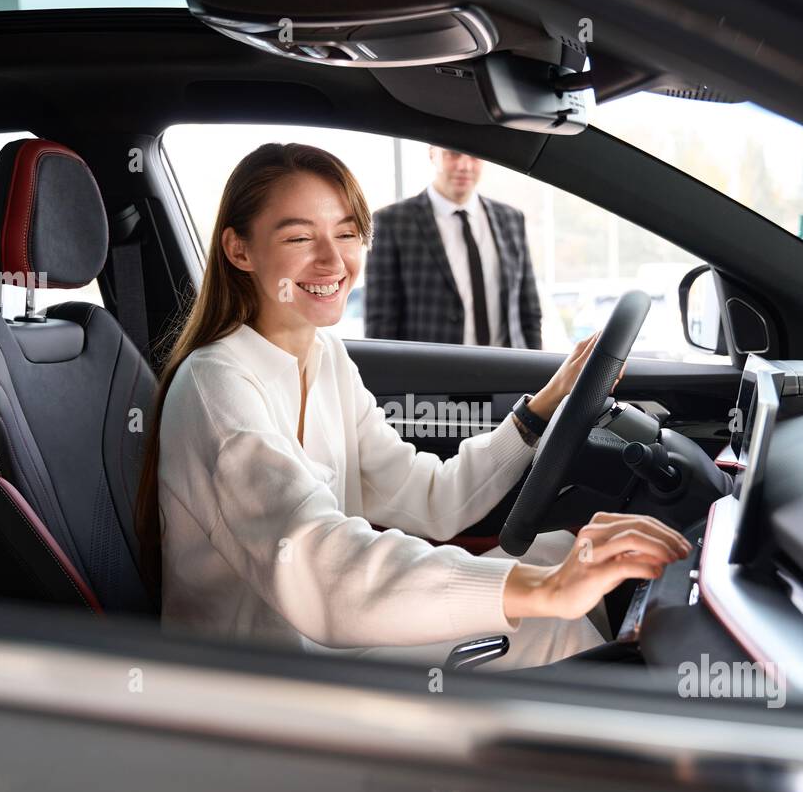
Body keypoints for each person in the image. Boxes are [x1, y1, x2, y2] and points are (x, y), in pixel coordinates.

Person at [136, 143, 689, 671]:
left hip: (328, 647)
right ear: (239, 250)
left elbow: (433, 498)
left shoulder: (326, 358)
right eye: (301, 237)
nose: (333, 259)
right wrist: (543, 592)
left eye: (347, 233)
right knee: (547, 620)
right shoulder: (216, 386)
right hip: (265, 679)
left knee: (554, 548)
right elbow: (315, 566)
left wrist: (544, 405)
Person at [365, 146, 543, 348]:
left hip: (507, 369)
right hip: (432, 372)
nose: (464, 166)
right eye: (454, 154)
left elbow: (529, 311)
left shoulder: (511, 220)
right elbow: (381, 321)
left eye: (475, 156)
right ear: (433, 154)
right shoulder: (392, 222)